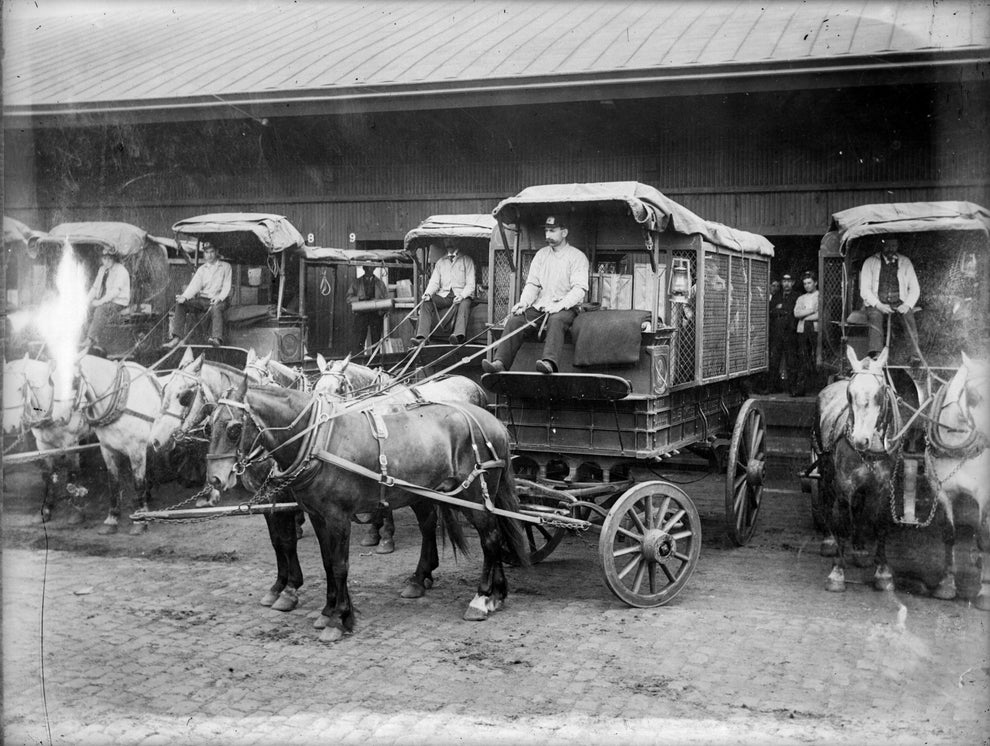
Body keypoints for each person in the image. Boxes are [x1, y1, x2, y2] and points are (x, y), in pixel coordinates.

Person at [482, 215, 588, 375]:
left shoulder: (577, 257)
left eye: (552, 231)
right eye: (546, 231)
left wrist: (560, 305)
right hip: (542, 306)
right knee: (516, 320)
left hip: (567, 307)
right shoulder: (541, 255)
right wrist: (523, 303)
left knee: (556, 320)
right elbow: (533, 284)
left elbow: (579, 290)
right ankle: (500, 363)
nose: (547, 235)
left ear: (564, 232)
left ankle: (549, 363)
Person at [859, 236, 922, 362]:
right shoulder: (870, 262)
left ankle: (914, 355)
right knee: (875, 316)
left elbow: (915, 288)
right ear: (882, 245)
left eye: (893, 246)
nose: (890, 249)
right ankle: (876, 354)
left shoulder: (905, 262)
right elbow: (865, 290)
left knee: (908, 316)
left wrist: (907, 305)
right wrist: (878, 305)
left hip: (899, 303)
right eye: (887, 246)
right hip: (877, 303)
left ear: (897, 246)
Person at [164, 242, 232, 347]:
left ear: (216, 252)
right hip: (203, 300)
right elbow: (194, 286)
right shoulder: (202, 269)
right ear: (204, 254)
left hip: (221, 300)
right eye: (207, 252)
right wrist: (184, 297)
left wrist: (219, 298)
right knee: (181, 304)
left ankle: (216, 339)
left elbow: (227, 286)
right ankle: (176, 337)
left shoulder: (226, 267)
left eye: (212, 252)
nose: (209, 255)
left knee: (215, 308)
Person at [411, 237, 476, 346]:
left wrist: (462, 296)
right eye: (446, 240)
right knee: (426, 302)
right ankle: (422, 338)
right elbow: (434, 282)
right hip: (445, 296)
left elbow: (471, 285)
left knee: (465, 303)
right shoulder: (440, 262)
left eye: (452, 240)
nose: (449, 243)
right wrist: (427, 294)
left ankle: (458, 336)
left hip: (461, 296)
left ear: (458, 241)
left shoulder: (467, 260)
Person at [83, 245, 130, 352]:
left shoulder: (121, 271)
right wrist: (86, 301)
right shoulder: (102, 269)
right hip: (104, 300)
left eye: (109, 259)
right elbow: (95, 287)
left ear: (114, 258)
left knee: (101, 309)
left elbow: (114, 292)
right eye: (104, 259)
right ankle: (86, 337)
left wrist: (99, 302)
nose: (107, 262)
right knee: (85, 308)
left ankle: (90, 339)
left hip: (118, 302)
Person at [764, 272, 799, 394]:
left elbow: (794, 313)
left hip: (790, 332)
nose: (786, 284)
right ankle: (772, 387)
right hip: (777, 332)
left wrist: (781, 310)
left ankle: (792, 388)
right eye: (784, 281)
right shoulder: (777, 296)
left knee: (791, 361)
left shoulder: (797, 296)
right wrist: (782, 311)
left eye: (789, 281)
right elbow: (771, 311)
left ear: (793, 283)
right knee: (774, 360)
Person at [345, 265, 389, 354]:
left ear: (374, 269)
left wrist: (382, 312)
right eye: (367, 268)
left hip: (376, 315)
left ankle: (375, 361)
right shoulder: (356, 282)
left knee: (376, 340)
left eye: (371, 268)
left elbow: (386, 300)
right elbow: (348, 299)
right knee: (359, 340)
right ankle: (359, 359)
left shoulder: (380, 283)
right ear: (364, 268)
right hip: (361, 314)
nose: (369, 270)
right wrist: (359, 298)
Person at [792, 271, 820, 396]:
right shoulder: (801, 298)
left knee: (815, 357)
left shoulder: (820, 296)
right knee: (803, 358)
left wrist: (805, 316)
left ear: (815, 283)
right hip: (802, 330)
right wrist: (811, 311)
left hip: (815, 330)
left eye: (809, 283)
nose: (807, 286)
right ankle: (801, 389)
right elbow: (796, 313)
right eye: (805, 284)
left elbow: (820, 315)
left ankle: (817, 388)